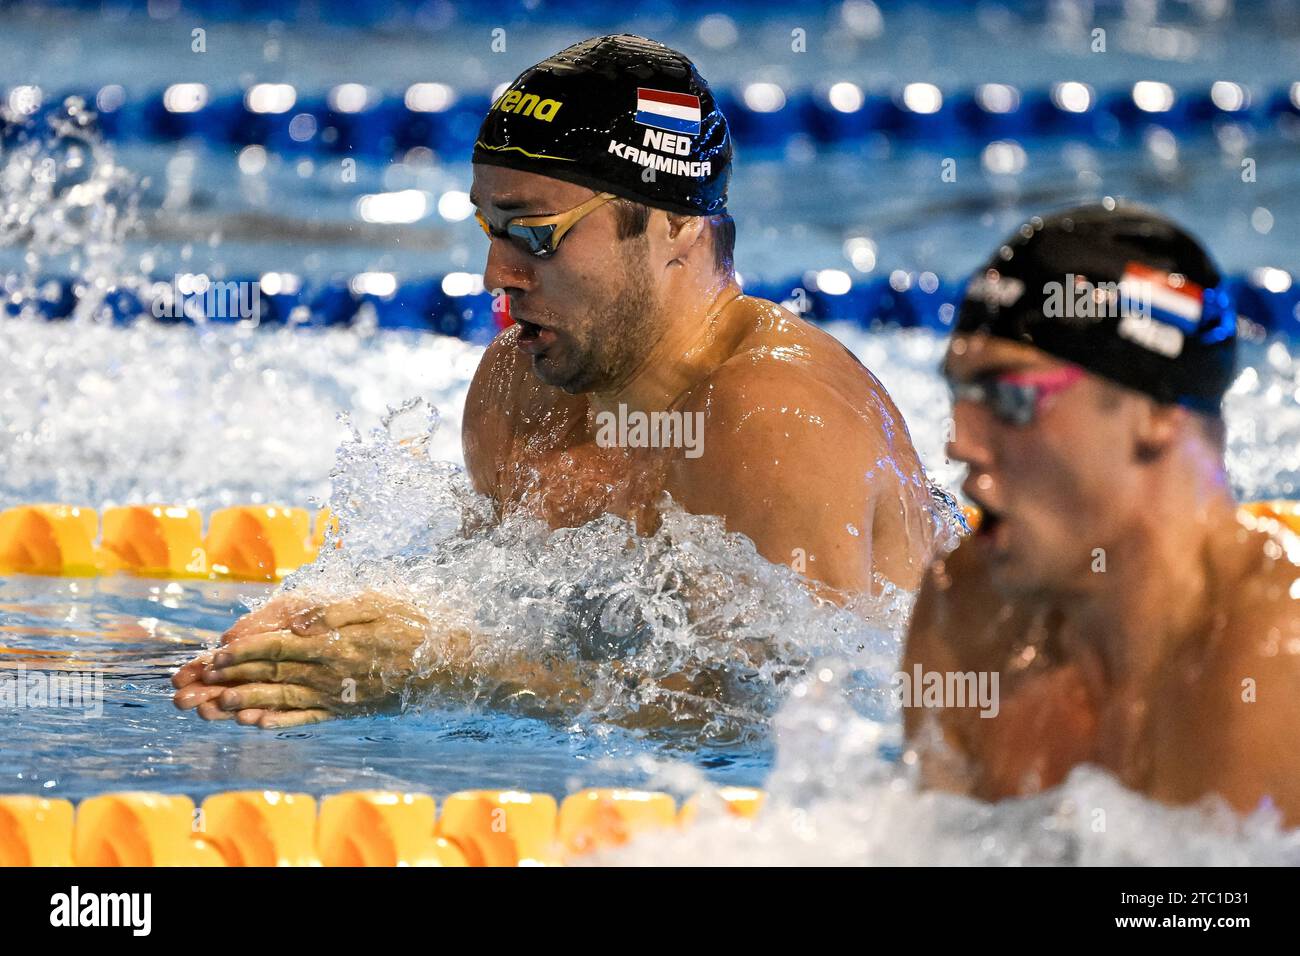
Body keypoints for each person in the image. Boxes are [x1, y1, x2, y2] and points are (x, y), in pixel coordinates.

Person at [174, 34, 942, 728]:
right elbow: (495, 598)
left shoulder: (774, 420)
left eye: (536, 235)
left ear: (673, 224)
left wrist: (460, 672)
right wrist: (333, 636)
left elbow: (782, 724)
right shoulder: (524, 386)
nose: (494, 277)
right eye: (491, 230)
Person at [902, 201, 1300, 824]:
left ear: (1156, 413)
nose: (959, 441)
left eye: (1009, 396)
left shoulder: (1278, 660)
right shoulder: (966, 612)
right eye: (960, 393)